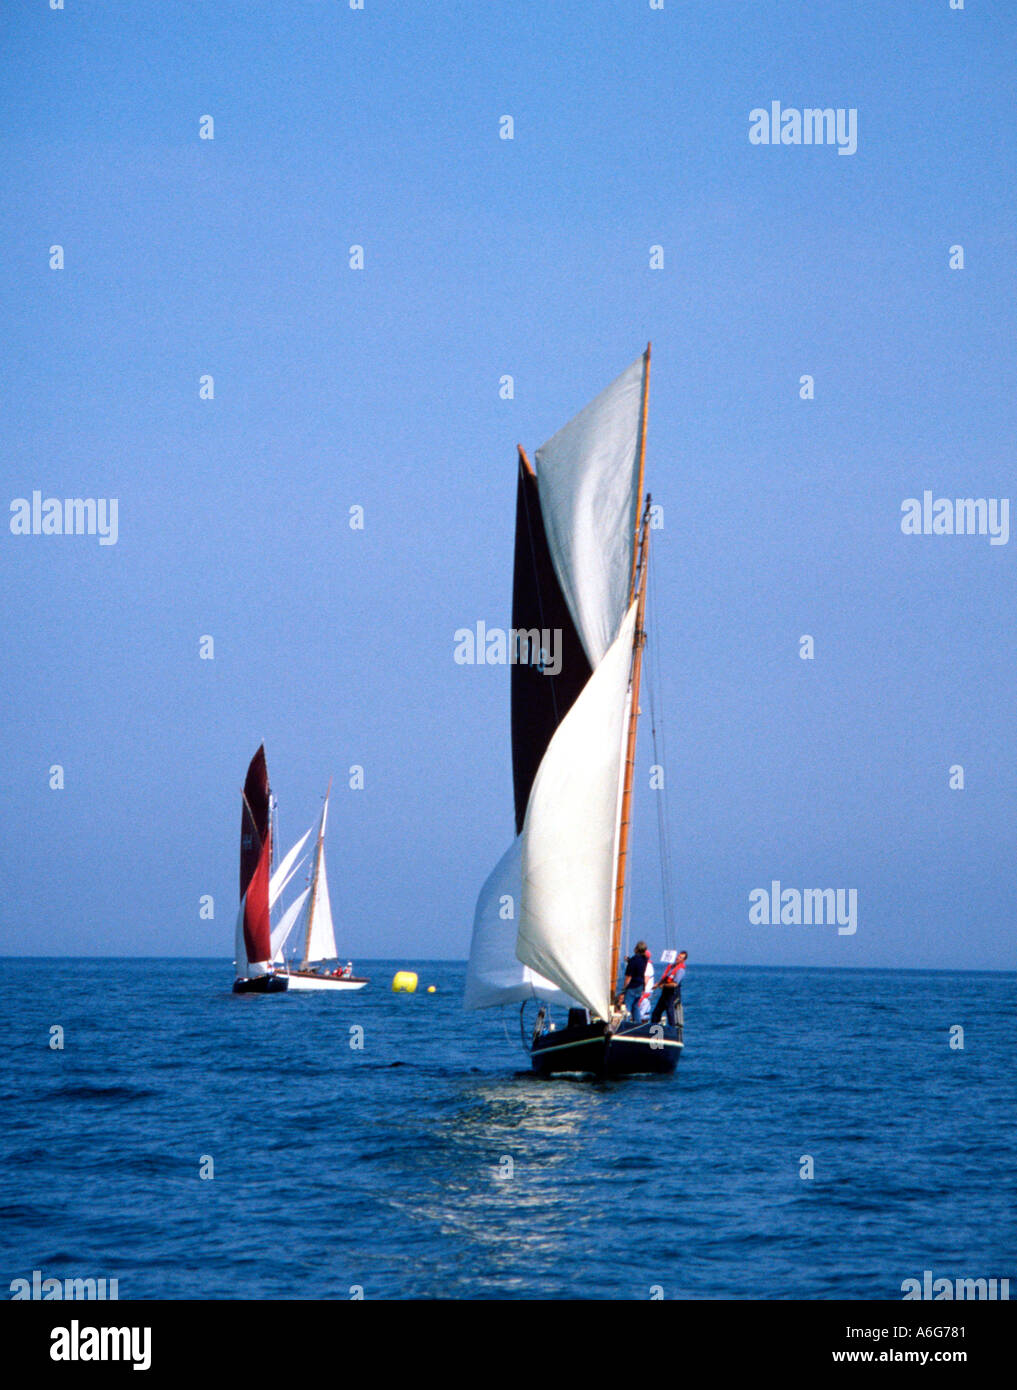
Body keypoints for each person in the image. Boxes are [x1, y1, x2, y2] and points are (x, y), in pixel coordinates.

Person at [650, 951, 687, 1027]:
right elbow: (665, 978)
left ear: (683, 960)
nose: (678, 958)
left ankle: (672, 1029)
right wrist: (657, 985)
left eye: (680, 957)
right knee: (656, 1012)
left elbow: (675, 984)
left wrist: (663, 985)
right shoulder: (671, 967)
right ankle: (654, 1028)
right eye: (678, 956)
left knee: (670, 1012)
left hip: (672, 994)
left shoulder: (680, 970)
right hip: (665, 993)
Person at [617, 942, 649, 1022]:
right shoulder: (644, 959)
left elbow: (629, 977)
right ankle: (638, 1023)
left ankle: (625, 1023)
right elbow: (637, 964)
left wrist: (624, 988)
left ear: (636, 949)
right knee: (635, 1006)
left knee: (627, 1006)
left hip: (632, 986)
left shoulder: (633, 960)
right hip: (640, 985)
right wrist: (629, 960)